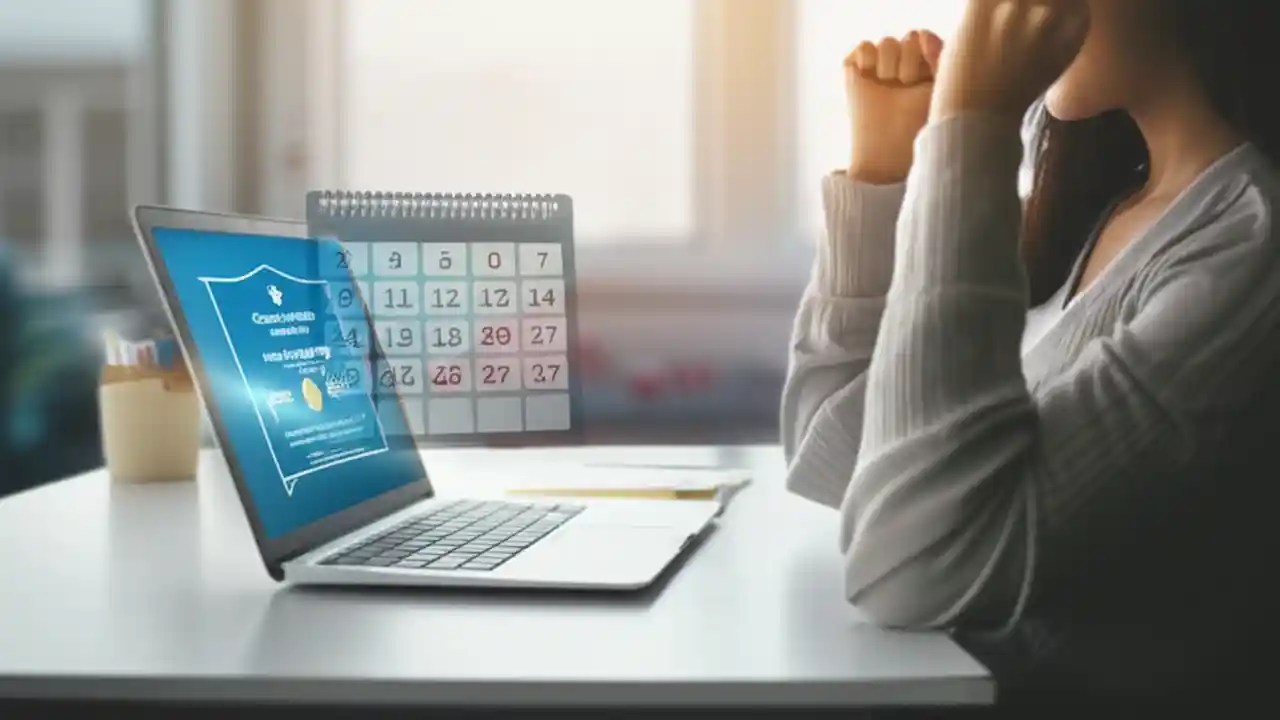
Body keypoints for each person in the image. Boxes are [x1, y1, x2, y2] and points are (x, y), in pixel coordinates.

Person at [782, 0, 1280, 704]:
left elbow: (914, 568)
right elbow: (832, 462)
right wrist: (880, 177)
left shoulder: (1251, 245)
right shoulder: (1107, 211)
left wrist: (971, 129)